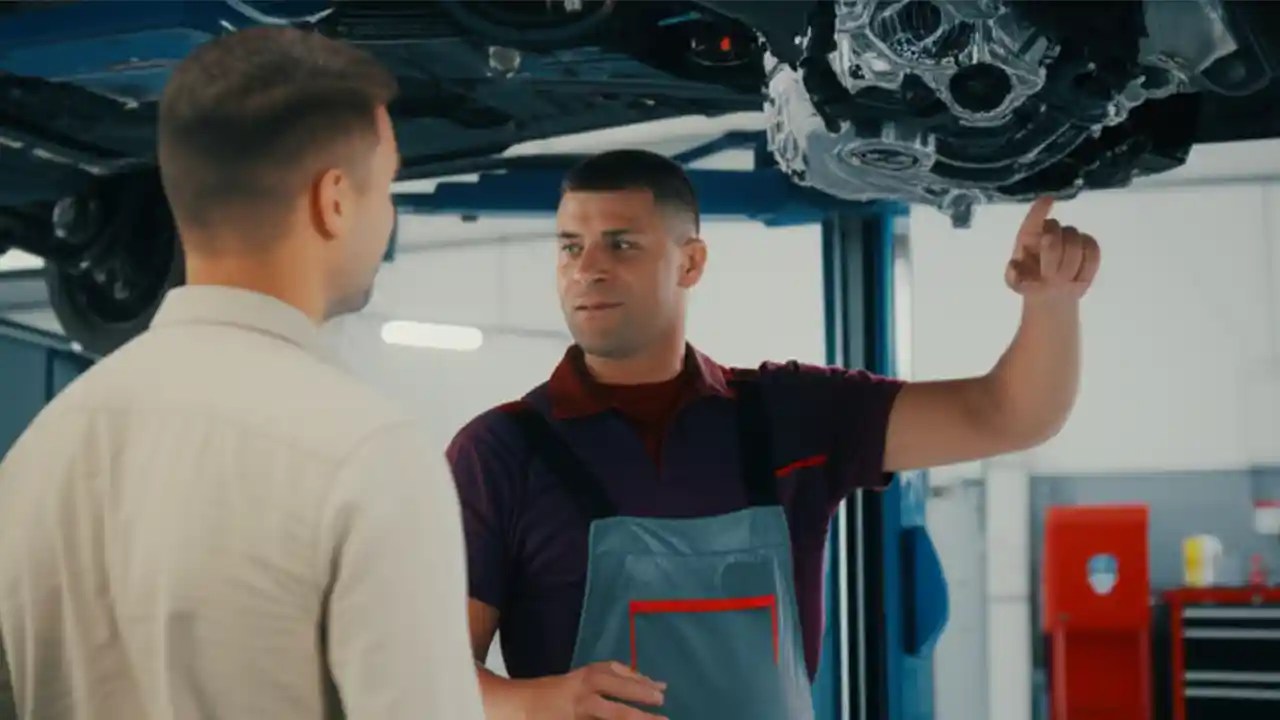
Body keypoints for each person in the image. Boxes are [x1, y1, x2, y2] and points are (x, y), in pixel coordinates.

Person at [447, 149, 1100, 719]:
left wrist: (1052, 303)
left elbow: (1008, 414)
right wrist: (533, 705)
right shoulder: (500, 453)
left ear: (691, 262)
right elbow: (429, 676)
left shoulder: (790, 415)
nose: (587, 268)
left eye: (621, 243)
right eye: (569, 246)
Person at [0, 27, 483, 720]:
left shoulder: (38, 453)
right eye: (388, 186)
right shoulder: (366, 453)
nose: (389, 215)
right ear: (335, 200)